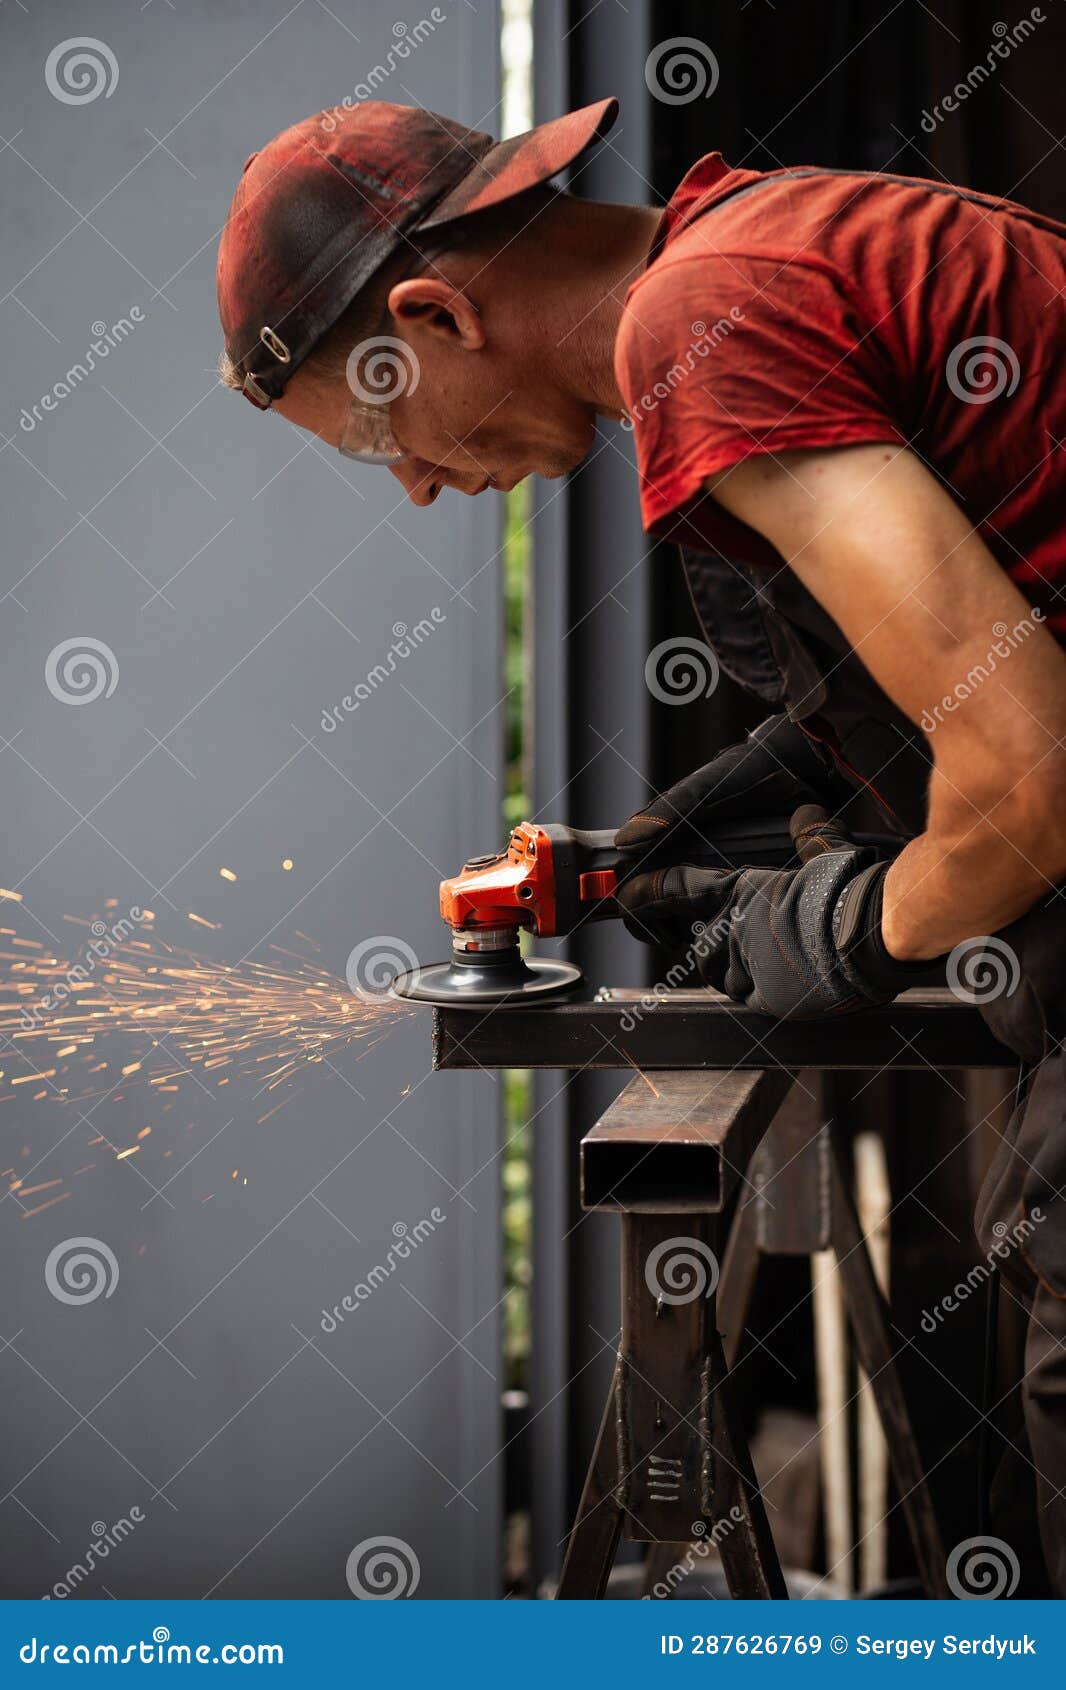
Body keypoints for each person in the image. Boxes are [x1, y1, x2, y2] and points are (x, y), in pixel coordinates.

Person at [217, 95, 1066, 1590]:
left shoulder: (708, 318)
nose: (412, 479)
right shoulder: (759, 241)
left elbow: (1024, 781)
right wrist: (672, 833)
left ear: (432, 311)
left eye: (378, 426)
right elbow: (937, 677)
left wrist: (839, 935)